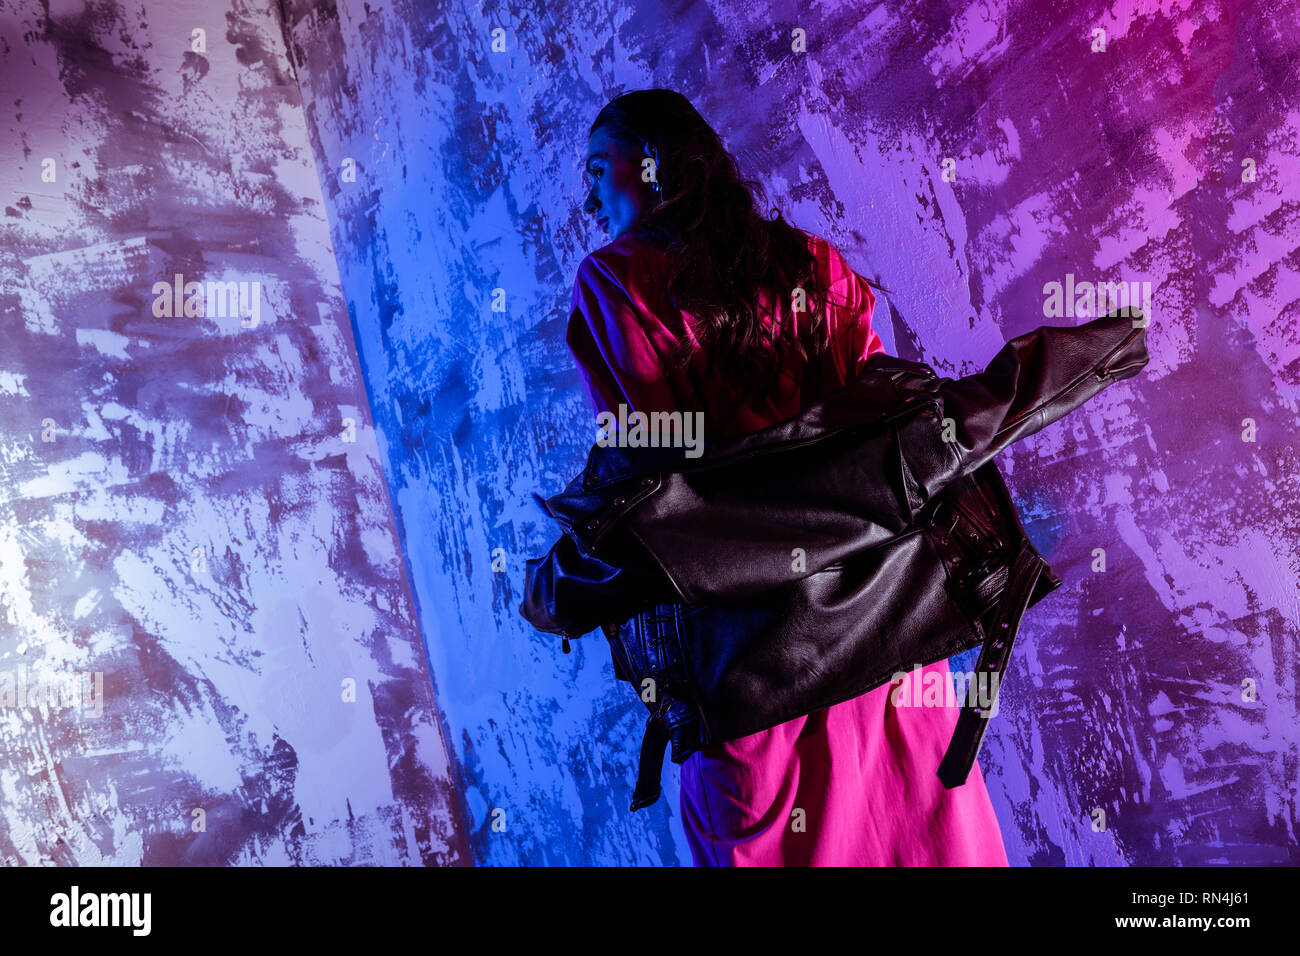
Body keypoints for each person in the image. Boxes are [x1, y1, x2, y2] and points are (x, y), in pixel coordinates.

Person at [566, 88, 1009, 866]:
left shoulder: (616, 284)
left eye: (602, 169)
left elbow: (658, 479)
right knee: (925, 837)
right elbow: (882, 428)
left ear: (654, 167)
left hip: (755, 661)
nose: (592, 194)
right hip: (885, 629)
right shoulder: (815, 262)